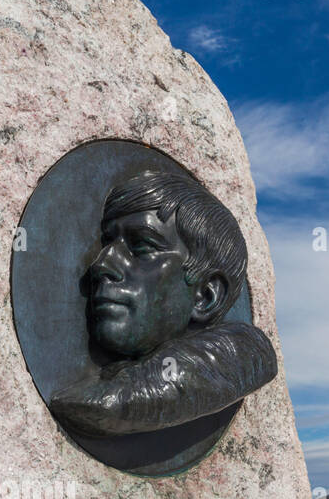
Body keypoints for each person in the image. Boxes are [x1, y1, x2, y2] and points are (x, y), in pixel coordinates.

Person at [49, 169, 277, 437]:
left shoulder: (235, 357)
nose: (102, 264)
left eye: (143, 246)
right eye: (108, 243)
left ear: (205, 296)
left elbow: (98, 407)